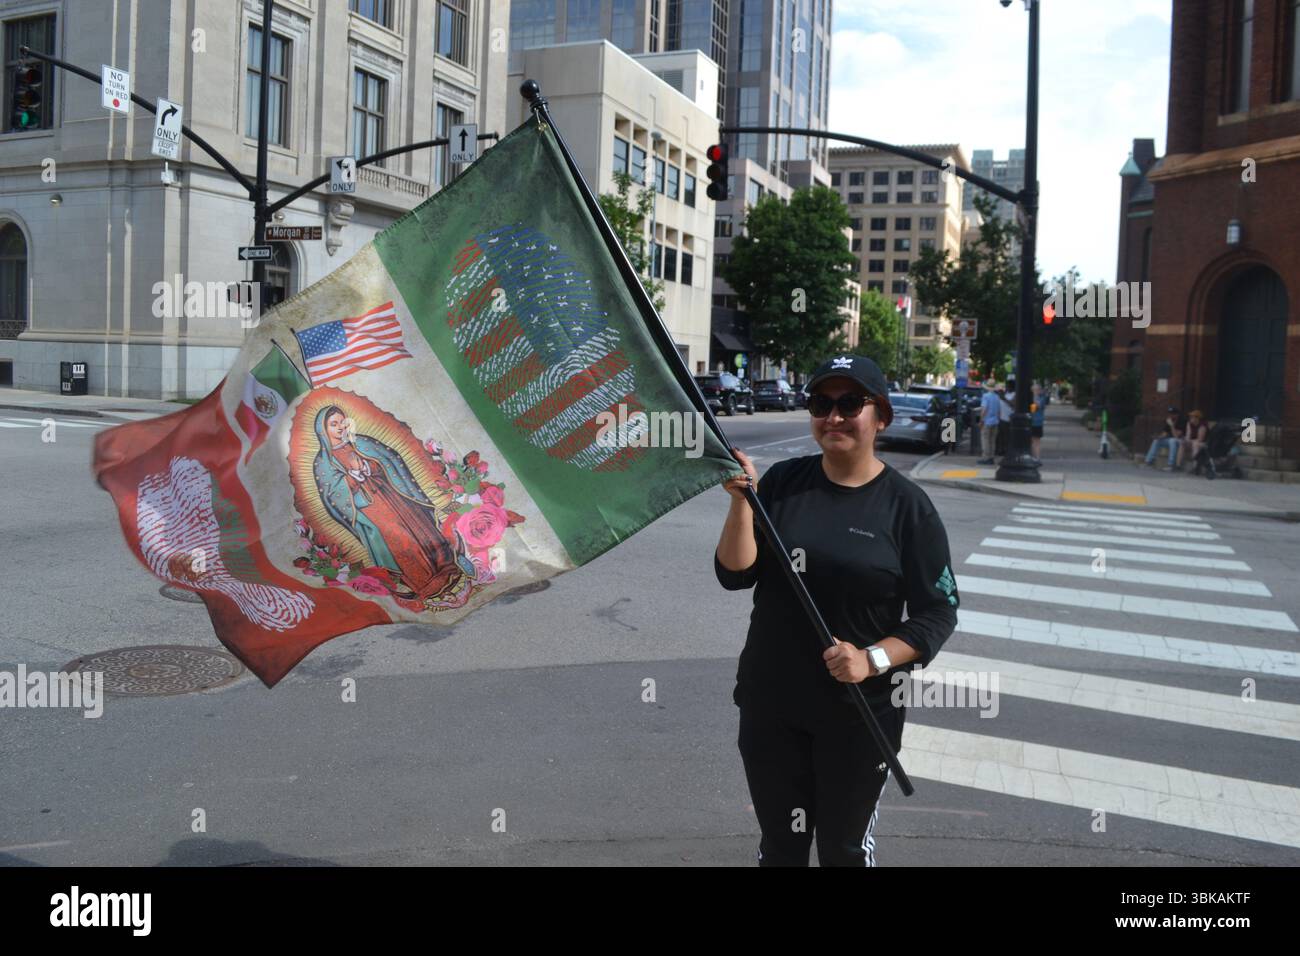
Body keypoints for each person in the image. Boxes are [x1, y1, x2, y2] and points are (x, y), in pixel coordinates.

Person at [714, 354, 960, 867]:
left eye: (851, 403)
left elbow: (938, 613)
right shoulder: (783, 484)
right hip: (772, 703)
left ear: (881, 416)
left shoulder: (908, 508)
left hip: (859, 714)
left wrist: (870, 659)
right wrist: (742, 501)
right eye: (821, 404)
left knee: (843, 852)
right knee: (780, 848)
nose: (834, 417)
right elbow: (735, 575)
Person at [312, 404, 476, 602]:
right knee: (401, 541)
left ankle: (448, 566)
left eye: (342, 422)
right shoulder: (323, 462)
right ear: (323, 430)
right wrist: (352, 477)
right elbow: (333, 495)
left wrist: (367, 465)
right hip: (371, 509)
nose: (340, 427)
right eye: (333, 424)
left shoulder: (361, 442)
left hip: (394, 495)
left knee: (420, 529)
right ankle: (425, 583)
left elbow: (389, 460)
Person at [977, 380, 1000, 465]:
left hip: (987, 421)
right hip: (995, 422)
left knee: (985, 440)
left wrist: (981, 420)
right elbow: (998, 411)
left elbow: (984, 409)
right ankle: (991, 457)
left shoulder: (985, 396)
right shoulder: (997, 397)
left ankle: (985, 458)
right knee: (992, 440)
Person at [1030, 382, 1049, 460]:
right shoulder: (1041, 398)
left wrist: (1034, 396)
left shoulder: (1039, 399)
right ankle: (1035, 457)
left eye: (1034, 390)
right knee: (1034, 441)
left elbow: (1035, 408)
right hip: (1036, 421)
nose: (1034, 391)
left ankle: (1036, 457)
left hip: (1035, 422)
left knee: (1035, 441)